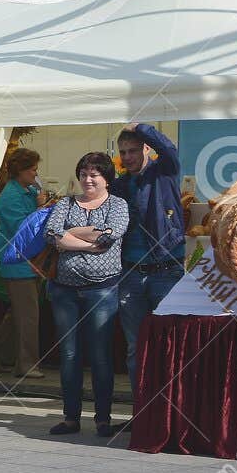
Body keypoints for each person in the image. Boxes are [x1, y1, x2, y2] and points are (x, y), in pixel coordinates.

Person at [46, 153, 131, 438]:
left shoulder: (118, 205)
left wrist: (69, 237)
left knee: (100, 355)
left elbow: (110, 236)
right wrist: (87, 240)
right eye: (83, 173)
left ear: (107, 178)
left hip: (102, 288)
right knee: (69, 354)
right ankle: (71, 418)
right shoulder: (65, 203)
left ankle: (103, 419)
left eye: (95, 173)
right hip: (64, 290)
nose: (88, 178)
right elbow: (52, 234)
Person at [112, 123, 185, 384]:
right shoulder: (119, 186)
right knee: (135, 348)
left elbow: (168, 149)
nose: (127, 157)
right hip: (130, 275)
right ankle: (142, 412)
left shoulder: (164, 171)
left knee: (169, 347)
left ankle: (167, 415)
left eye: (133, 150)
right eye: (123, 152)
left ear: (146, 148)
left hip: (166, 271)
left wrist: (142, 127)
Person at [0, 148, 46, 379]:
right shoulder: (10, 197)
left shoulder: (28, 190)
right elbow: (23, 231)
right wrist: (40, 209)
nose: (36, 174)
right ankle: (26, 364)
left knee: (17, 313)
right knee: (28, 316)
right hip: (17, 263)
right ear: (21, 171)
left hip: (29, 262)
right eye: (32, 170)